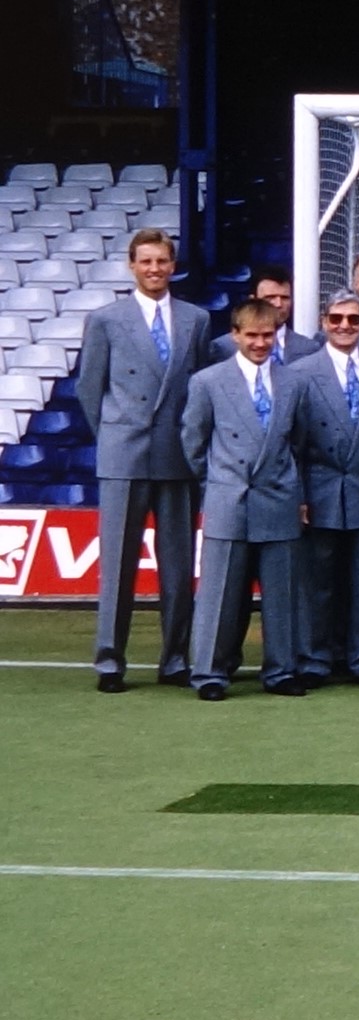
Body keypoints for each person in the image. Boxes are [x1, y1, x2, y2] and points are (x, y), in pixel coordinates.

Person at [81, 228, 210, 692]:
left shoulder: (195, 319)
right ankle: (110, 661)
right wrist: (116, 434)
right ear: (131, 265)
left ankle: (175, 658)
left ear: (174, 266)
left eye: (162, 261)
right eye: (146, 261)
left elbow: (197, 392)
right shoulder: (106, 320)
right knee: (117, 565)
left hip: (175, 456)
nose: (155, 269)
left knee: (177, 566)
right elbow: (88, 390)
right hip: (124, 455)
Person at [181, 299, 308, 700]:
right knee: (219, 593)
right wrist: (220, 482)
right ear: (235, 334)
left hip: (278, 497)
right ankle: (210, 673)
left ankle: (282, 670)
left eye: (267, 335)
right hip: (229, 499)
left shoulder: (293, 382)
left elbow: (297, 443)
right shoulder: (208, 382)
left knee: (282, 593)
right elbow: (193, 442)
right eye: (251, 335)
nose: (259, 343)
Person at [289, 290, 359, 686]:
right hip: (320, 490)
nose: (344, 326)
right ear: (323, 322)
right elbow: (293, 443)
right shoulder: (300, 372)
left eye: (353, 319)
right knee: (319, 583)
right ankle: (316, 659)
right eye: (336, 319)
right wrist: (299, 495)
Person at [208, 264, 318, 366]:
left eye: (285, 298)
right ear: (252, 300)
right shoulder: (223, 347)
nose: (278, 304)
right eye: (270, 298)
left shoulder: (309, 349)